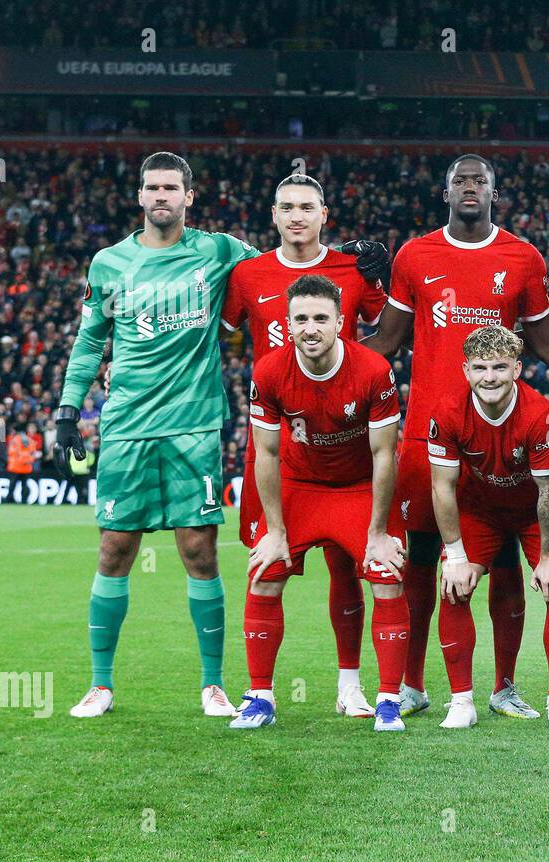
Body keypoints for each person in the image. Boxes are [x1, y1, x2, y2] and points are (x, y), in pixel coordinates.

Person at [367, 154, 549, 720]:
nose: (469, 188)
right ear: (445, 192)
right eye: (459, 180)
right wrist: (324, 359)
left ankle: (504, 686)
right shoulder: (415, 255)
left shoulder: (523, 258)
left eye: (479, 181)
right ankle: (411, 685)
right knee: (422, 566)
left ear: (494, 193)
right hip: (426, 436)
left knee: (505, 564)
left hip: (499, 441)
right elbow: (385, 341)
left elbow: (547, 346)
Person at [56, 152, 261, 719]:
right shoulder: (109, 263)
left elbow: (278, 271)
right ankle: (101, 684)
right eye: (152, 187)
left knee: (198, 549)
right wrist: (69, 410)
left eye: (172, 187)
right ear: (140, 197)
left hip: (193, 424)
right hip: (125, 427)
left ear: (189, 196)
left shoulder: (218, 252)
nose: (162, 196)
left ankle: (213, 684)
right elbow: (90, 341)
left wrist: (344, 262)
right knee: (114, 547)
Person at [221, 172, 390, 720]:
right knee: (265, 568)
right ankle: (260, 694)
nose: (297, 216)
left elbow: (388, 332)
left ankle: (350, 687)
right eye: (287, 207)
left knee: (350, 570)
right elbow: (213, 338)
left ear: (324, 214)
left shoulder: (351, 269)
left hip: (347, 446)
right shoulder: (247, 274)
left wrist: (384, 282)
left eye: (307, 207)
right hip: (278, 440)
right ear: (273, 216)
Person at [233, 273, 410, 732]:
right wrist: (274, 532)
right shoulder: (269, 372)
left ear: (339, 322)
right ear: (288, 325)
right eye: (301, 319)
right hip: (299, 483)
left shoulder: (373, 370)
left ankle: (387, 699)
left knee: (386, 574)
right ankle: (259, 696)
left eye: (320, 318)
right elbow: (267, 454)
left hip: (358, 485)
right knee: (265, 573)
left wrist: (378, 532)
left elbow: (384, 454)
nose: (310, 328)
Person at [428, 326, 549, 730]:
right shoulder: (447, 411)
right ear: (465, 370)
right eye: (479, 368)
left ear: (517, 368)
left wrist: (548, 558)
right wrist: (456, 556)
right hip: (481, 510)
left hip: (535, 512)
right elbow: (441, 486)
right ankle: (461, 702)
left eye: (498, 367)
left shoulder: (539, 415)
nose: (489, 377)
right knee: (453, 585)